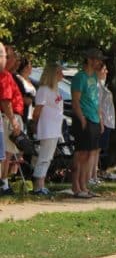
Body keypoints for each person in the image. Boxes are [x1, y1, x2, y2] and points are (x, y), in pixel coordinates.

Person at [70, 48, 105, 198]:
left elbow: (95, 99)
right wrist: (82, 118)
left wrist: (100, 120)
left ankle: (84, 185)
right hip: (84, 118)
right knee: (81, 154)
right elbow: (76, 101)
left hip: (94, 118)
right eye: (97, 59)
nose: (100, 62)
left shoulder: (94, 77)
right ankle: (76, 186)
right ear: (89, 60)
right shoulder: (79, 77)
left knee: (91, 154)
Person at [31, 62, 65, 196]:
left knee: (48, 157)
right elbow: (37, 111)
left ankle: (41, 184)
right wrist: (34, 124)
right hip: (47, 128)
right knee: (44, 157)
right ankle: (38, 186)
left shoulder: (54, 89)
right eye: (59, 72)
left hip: (55, 128)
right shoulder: (44, 89)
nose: (62, 74)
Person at [0, 43, 24, 195]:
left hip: (11, 116)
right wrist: (13, 120)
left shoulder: (7, 75)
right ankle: (4, 184)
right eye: (12, 57)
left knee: (7, 153)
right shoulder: (4, 76)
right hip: (9, 117)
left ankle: (4, 182)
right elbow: (6, 100)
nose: (16, 60)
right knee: (6, 154)